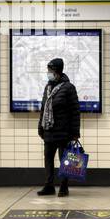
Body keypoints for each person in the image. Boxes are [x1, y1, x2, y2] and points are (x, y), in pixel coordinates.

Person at [36, 57, 80, 197]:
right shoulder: (48, 87)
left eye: (50, 70)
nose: (48, 73)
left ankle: (63, 187)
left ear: (57, 71)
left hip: (63, 132)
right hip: (48, 131)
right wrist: (40, 127)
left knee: (65, 161)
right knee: (48, 160)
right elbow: (43, 109)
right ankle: (49, 186)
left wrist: (75, 133)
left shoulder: (69, 88)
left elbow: (75, 111)